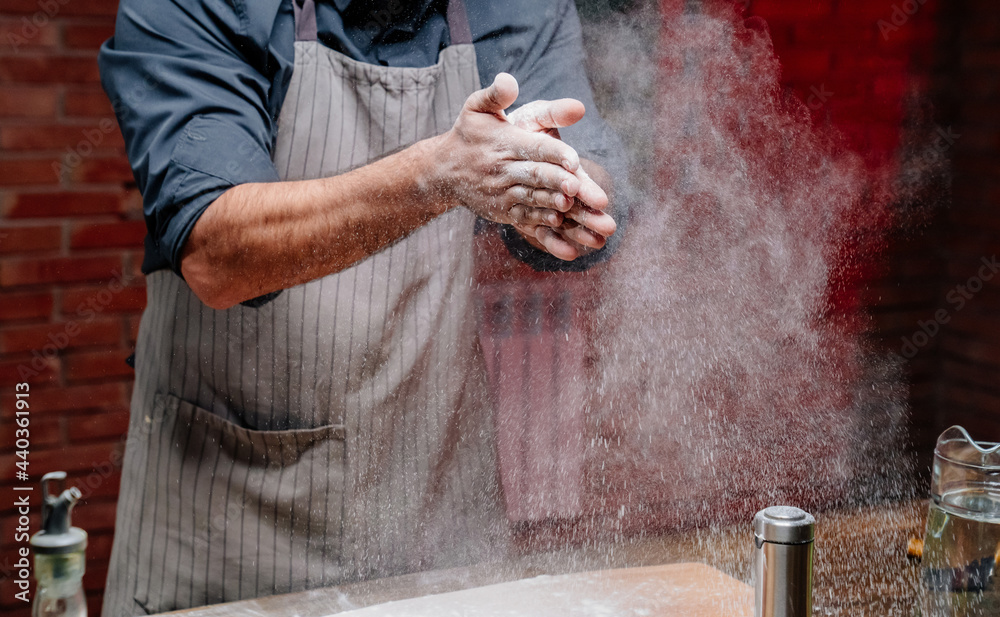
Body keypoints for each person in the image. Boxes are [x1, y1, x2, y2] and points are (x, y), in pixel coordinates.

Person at [98, 0, 628, 615]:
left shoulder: (518, 9)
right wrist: (440, 173)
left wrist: (559, 178)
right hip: (230, 527)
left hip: (438, 517)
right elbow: (217, 253)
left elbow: (597, 169)